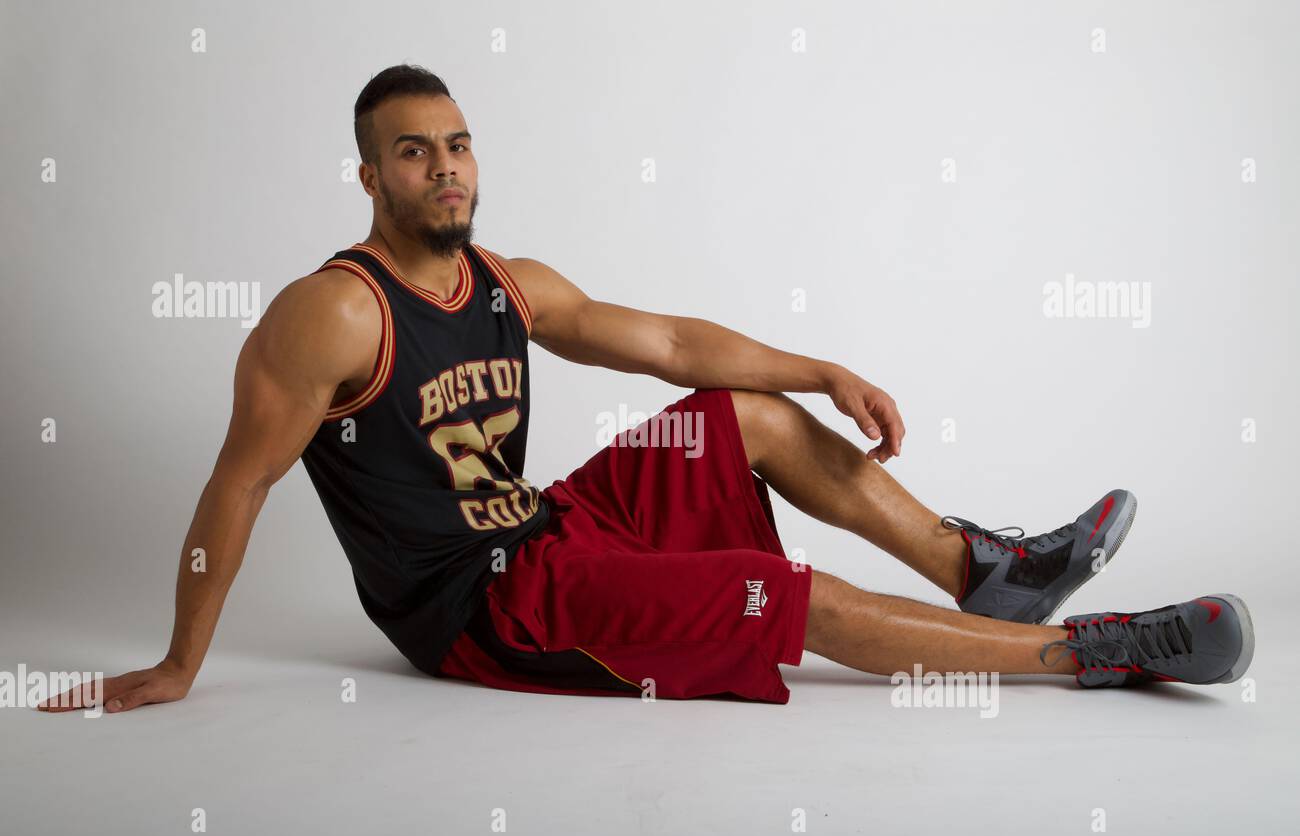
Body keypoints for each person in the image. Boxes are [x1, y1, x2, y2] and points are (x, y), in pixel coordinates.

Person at [36, 65, 1253, 713]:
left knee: (749, 416)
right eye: (415, 151)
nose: (446, 168)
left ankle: (989, 567)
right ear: (369, 175)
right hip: (481, 605)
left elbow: (668, 344)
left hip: (550, 528)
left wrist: (819, 369)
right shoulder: (333, 313)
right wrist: (179, 659)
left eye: (458, 143)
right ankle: (1088, 652)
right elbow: (235, 483)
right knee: (780, 593)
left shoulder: (506, 281)